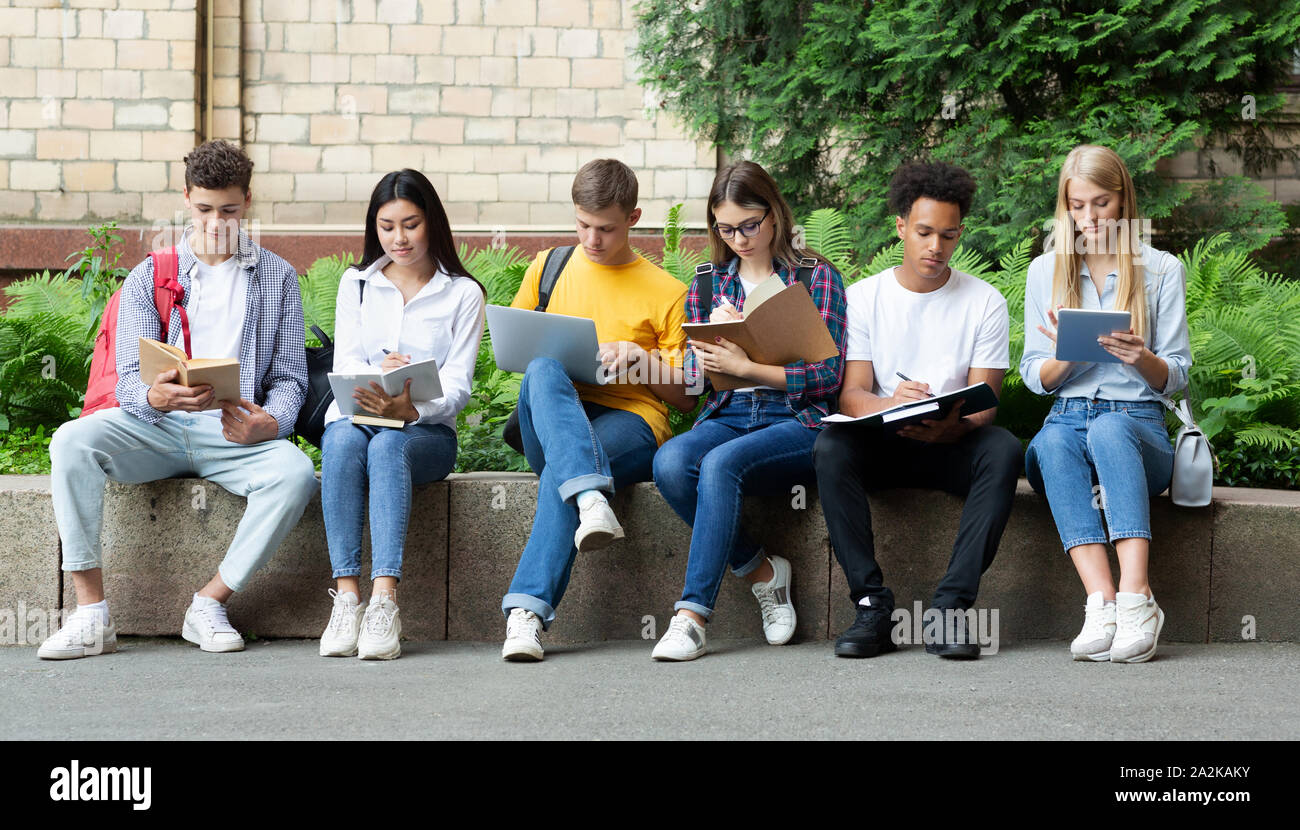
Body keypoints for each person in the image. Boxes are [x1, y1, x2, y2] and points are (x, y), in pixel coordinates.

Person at [39, 139, 318, 659]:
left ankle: (210, 603)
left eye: (230, 210)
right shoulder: (152, 273)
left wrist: (271, 423)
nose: (217, 222)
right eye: (205, 209)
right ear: (186, 196)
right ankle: (90, 613)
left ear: (248, 200)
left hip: (234, 430)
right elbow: (126, 379)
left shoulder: (277, 277)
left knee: (295, 473)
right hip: (157, 428)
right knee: (71, 441)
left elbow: (289, 379)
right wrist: (154, 396)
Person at [813, 162, 1022, 660]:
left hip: (951, 444)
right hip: (884, 441)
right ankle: (872, 608)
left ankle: (950, 609)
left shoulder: (985, 302)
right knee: (830, 446)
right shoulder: (863, 298)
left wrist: (954, 426)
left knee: (1004, 449)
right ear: (901, 226)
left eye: (948, 236)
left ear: (959, 235)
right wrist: (893, 404)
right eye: (924, 232)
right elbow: (852, 395)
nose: (935, 247)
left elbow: (984, 403)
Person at [500, 158, 697, 661]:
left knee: (564, 475)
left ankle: (526, 615)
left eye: (605, 229)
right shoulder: (549, 267)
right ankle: (591, 497)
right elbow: (516, 357)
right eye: (583, 225)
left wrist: (643, 362)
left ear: (633, 218)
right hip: (551, 414)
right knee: (544, 367)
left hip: (631, 422)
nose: (592, 239)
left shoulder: (667, 293)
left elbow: (688, 397)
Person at [649, 161, 847, 661]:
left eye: (749, 225)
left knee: (720, 464)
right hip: (727, 412)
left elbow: (829, 377)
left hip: (796, 419)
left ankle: (691, 617)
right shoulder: (707, 284)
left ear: (774, 214)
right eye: (726, 228)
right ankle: (762, 572)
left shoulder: (815, 276)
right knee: (671, 462)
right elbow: (696, 387)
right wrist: (702, 354)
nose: (738, 238)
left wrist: (750, 364)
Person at [1022, 144, 1191, 664]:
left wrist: (1141, 359)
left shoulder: (1160, 271)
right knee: (1052, 439)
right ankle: (1102, 601)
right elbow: (1034, 375)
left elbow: (1178, 377)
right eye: (1077, 205)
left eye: (1101, 203)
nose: (1089, 218)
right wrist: (1068, 359)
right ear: (1064, 207)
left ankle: (1138, 598)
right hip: (1066, 418)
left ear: (1123, 202)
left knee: (1109, 430)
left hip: (1138, 425)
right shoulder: (1046, 271)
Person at [318, 170, 486, 661]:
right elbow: (345, 363)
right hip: (359, 417)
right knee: (343, 442)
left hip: (426, 434)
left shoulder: (462, 293)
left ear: (431, 221)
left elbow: (457, 386)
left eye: (410, 224)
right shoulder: (359, 284)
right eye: (387, 226)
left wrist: (411, 405)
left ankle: (384, 601)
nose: (399, 238)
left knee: (391, 445)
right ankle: (347, 598)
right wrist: (379, 374)